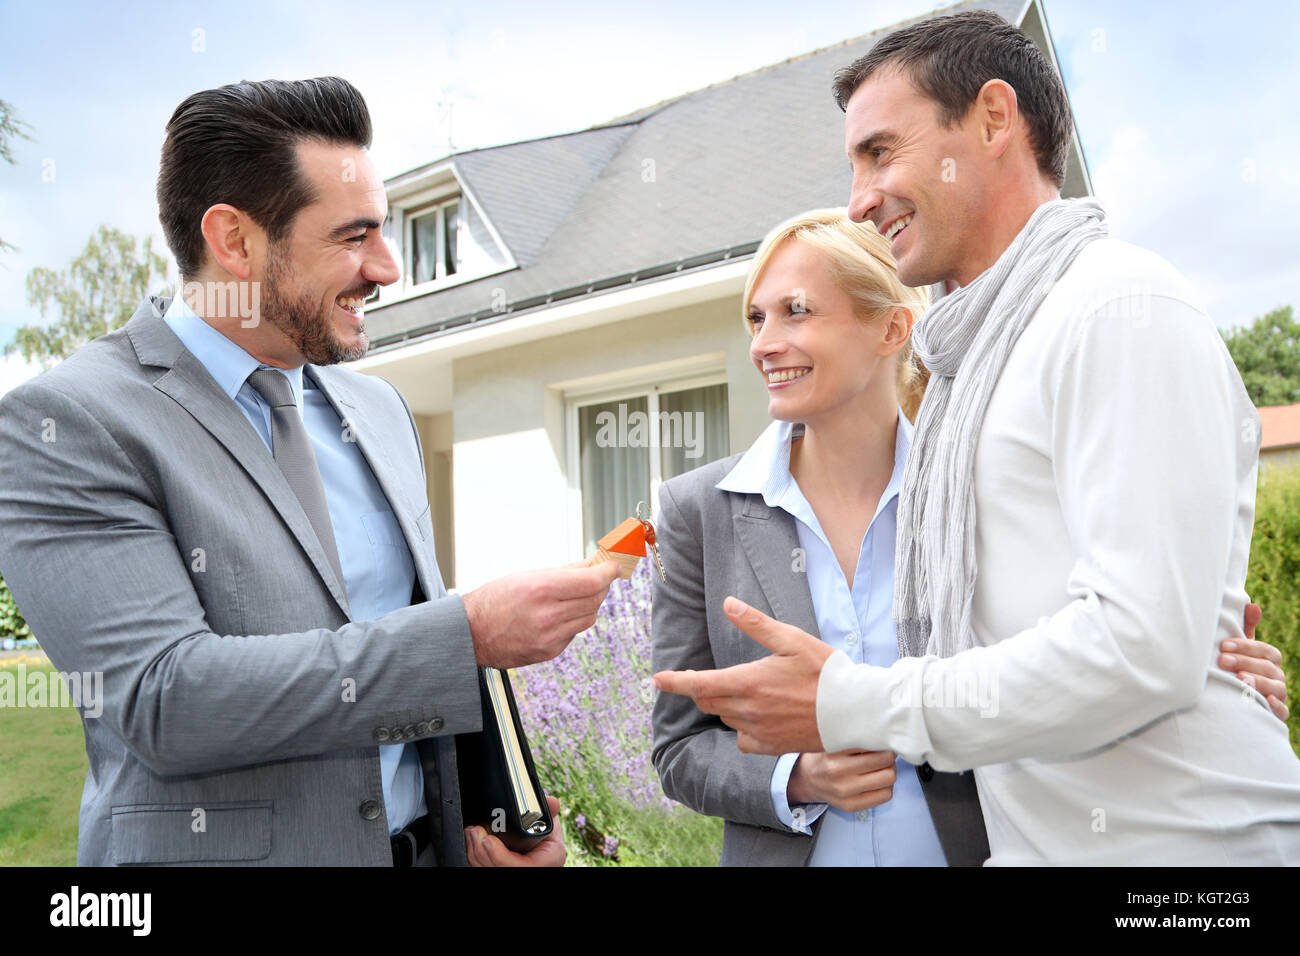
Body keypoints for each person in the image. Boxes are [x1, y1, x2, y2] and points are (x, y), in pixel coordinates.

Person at [654, 10, 1300, 865]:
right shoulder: (968, 375)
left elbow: (1142, 649)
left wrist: (854, 700)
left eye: (881, 152)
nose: (858, 199)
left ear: (994, 121)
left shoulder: (1118, 307)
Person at [0, 77, 618, 867]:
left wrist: (500, 815)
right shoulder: (71, 425)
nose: (388, 268)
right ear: (234, 240)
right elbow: (165, 700)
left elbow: (401, 649)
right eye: (353, 237)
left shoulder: (381, 412)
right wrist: (465, 634)